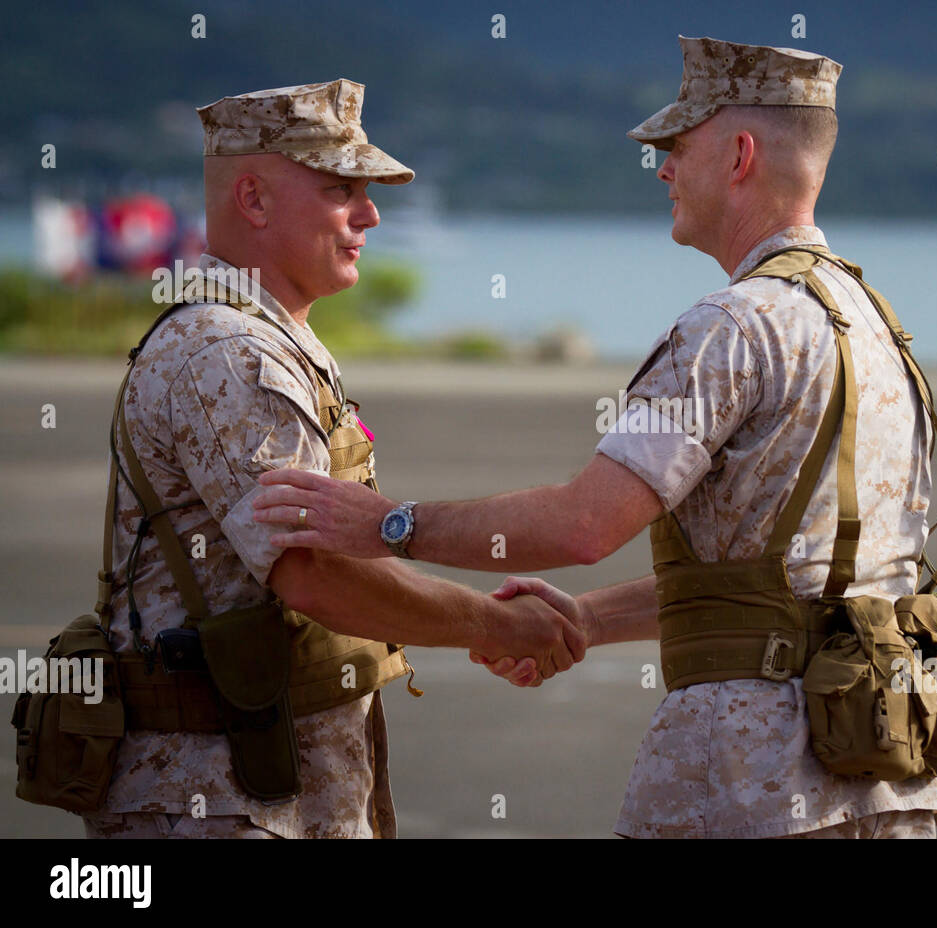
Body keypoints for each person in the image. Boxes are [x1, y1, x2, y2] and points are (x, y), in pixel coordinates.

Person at [253, 40, 937, 838]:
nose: (662, 170)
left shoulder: (732, 326)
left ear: (739, 155)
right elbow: (784, 585)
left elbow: (584, 526)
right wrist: (587, 622)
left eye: (676, 149)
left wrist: (387, 524)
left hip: (752, 776)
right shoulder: (875, 323)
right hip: (886, 768)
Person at [85, 79, 583, 839]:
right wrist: (496, 625)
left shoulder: (269, 338)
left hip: (265, 785)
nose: (370, 214)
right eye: (340, 189)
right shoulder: (229, 352)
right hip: (216, 797)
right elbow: (312, 572)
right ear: (253, 200)